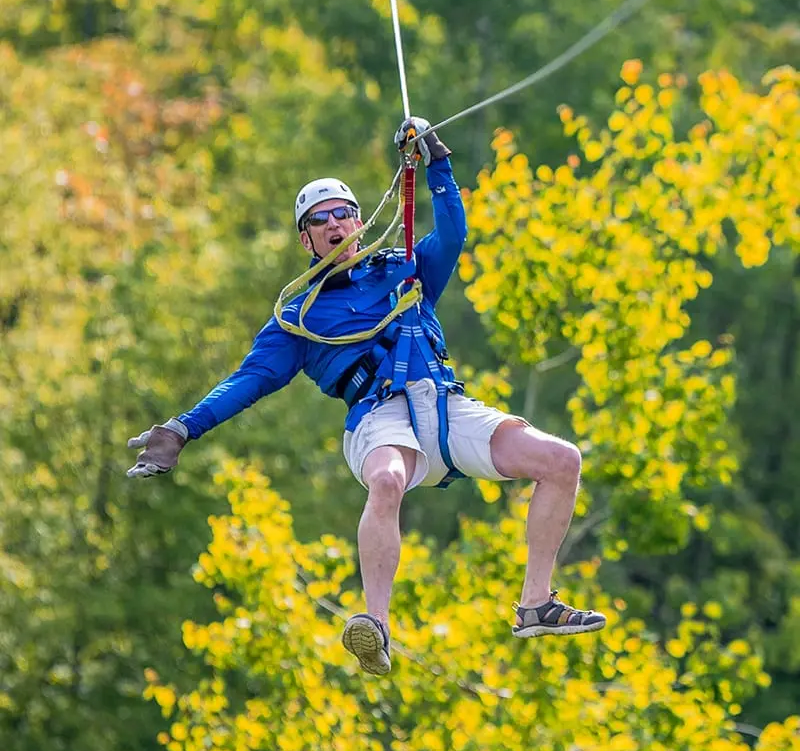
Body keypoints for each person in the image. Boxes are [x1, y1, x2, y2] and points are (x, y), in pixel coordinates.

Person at [127, 117, 606, 676]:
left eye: (341, 213)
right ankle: (374, 625)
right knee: (386, 481)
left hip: (444, 405)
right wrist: (184, 428)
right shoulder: (296, 319)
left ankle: (535, 603)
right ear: (306, 240)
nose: (334, 224)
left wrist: (438, 164)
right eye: (318, 221)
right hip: (380, 420)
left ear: (358, 220)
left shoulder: (405, 268)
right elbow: (247, 382)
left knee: (561, 460)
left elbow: (452, 234)